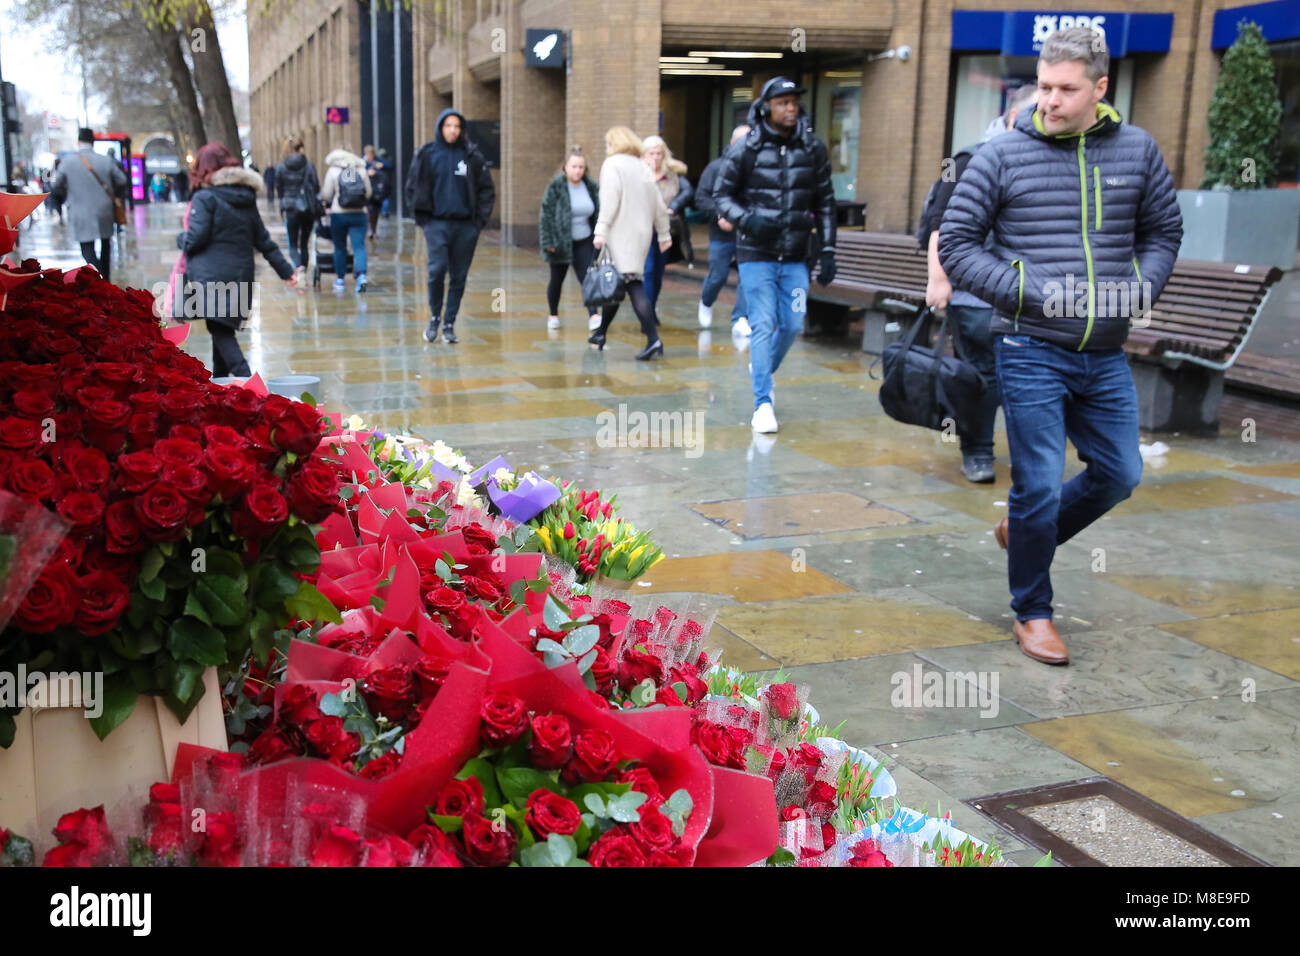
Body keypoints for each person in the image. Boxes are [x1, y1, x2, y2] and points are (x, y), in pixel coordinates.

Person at [939, 27, 1183, 665]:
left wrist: (1140, 286)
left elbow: (1163, 230)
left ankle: (1024, 534)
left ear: (1100, 88)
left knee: (1121, 473)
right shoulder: (1002, 154)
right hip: (1028, 344)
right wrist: (1026, 292)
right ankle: (1034, 611)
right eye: (1044, 86)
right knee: (1040, 484)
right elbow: (957, 244)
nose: (1049, 99)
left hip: (1103, 349)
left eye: (1066, 89)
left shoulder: (1138, 150)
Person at [921, 83, 1039, 484]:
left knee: (1022, 374)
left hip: (1032, 297)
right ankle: (978, 453)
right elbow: (939, 226)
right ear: (1013, 119)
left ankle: (1020, 451)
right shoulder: (968, 160)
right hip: (976, 296)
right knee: (983, 375)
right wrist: (938, 281)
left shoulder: (1050, 164)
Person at [714, 77, 837, 434]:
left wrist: (828, 249)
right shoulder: (746, 149)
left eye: (794, 101)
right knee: (764, 324)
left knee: (794, 322)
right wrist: (748, 221)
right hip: (756, 255)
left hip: (797, 257)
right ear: (767, 106)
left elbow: (826, 202)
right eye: (782, 102)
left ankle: (762, 367)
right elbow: (723, 196)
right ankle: (763, 404)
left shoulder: (812, 149)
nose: (790, 108)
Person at [176, 142, 297, 378]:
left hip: (211, 279)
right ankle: (220, 386)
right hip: (241, 277)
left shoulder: (204, 198)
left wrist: (181, 238)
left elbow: (194, 239)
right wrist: (286, 271)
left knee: (220, 332)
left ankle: (253, 390)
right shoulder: (245, 197)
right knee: (220, 330)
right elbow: (263, 240)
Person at [407, 108, 496, 344]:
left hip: (466, 226)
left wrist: (478, 222)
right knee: (436, 270)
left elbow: (487, 189)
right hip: (436, 223)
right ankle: (435, 316)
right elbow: (412, 186)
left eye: (456, 126)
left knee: (459, 275)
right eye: (448, 126)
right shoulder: (428, 154)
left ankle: (449, 323)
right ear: (440, 127)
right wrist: (421, 218)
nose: (452, 130)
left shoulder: (471, 156)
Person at [589, 126, 672, 360]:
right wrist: (664, 234)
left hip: (619, 233)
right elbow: (658, 205)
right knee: (620, 283)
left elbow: (609, 200)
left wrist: (601, 230)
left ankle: (653, 339)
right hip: (641, 234)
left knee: (632, 284)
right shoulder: (642, 166)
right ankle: (601, 333)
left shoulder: (613, 164)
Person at [694, 124, 752, 335]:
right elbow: (701, 198)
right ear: (732, 143)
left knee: (747, 276)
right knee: (718, 275)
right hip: (722, 233)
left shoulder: (757, 169)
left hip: (747, 233)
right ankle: (706, 301)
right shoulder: (716, 167)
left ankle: (740, 318)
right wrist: (720, 215)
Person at [51, 128, 127, 282]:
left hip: (79, 211)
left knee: (87, 248)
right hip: (104, 209)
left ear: (79, 142)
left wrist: (68, 194)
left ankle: (100, 277)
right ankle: (106, 278)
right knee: (106, 244)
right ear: (93, 142)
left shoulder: (67, 162)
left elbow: (56, 185)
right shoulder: (106, 160)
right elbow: (122, 180)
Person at [539, 145, 601, 332]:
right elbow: (546, 215)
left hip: (584, 240)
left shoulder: (590, 186)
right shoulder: (556, 186)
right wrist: (548, 242)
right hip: (560, 242)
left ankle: (593, 315)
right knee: (557, 279)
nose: (577, 171)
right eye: (574, 166)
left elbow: (598, 211)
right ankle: (553, 314)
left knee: (587, 278)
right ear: (565, 167)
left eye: (581, 167)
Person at [640, 135, 694, 308]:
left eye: (658, 153)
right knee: (647, 271)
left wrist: (674, 206)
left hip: (666, 230)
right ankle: (647, 313)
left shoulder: (672, 176)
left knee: (657, 272)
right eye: (651, 153)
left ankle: (652, 306)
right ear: (643, 155)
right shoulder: (638, 175)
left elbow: (688, 192)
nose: (655, 157)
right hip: (643, 231)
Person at [319, 147, 373, 293]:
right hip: (359, 213)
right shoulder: (361, 169)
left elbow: (327, 194)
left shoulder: (333, 170)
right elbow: (368, 192)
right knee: (359, 246)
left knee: (340, 247)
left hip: (339, 213)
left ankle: (340, 279)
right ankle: (361, 276)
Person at [275, 136, 321, 283]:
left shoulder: (281, 167)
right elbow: (316, 186)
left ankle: (298, 267)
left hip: (290, 208)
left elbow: (279, 189)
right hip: (307, 207)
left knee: (293, 244)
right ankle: (304, 268)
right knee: (304, 244)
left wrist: (283, 205)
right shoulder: (308, 165)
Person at [362, 144, 391, 240]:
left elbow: (389, 165)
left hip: (378, 190)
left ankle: (373, 229)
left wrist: (381, 166)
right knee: (369, 210)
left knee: (375, 211)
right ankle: (371, 229)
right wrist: (367, 172)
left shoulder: (377, 160)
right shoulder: (362, 162)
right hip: (367, 189)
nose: (371, 157)